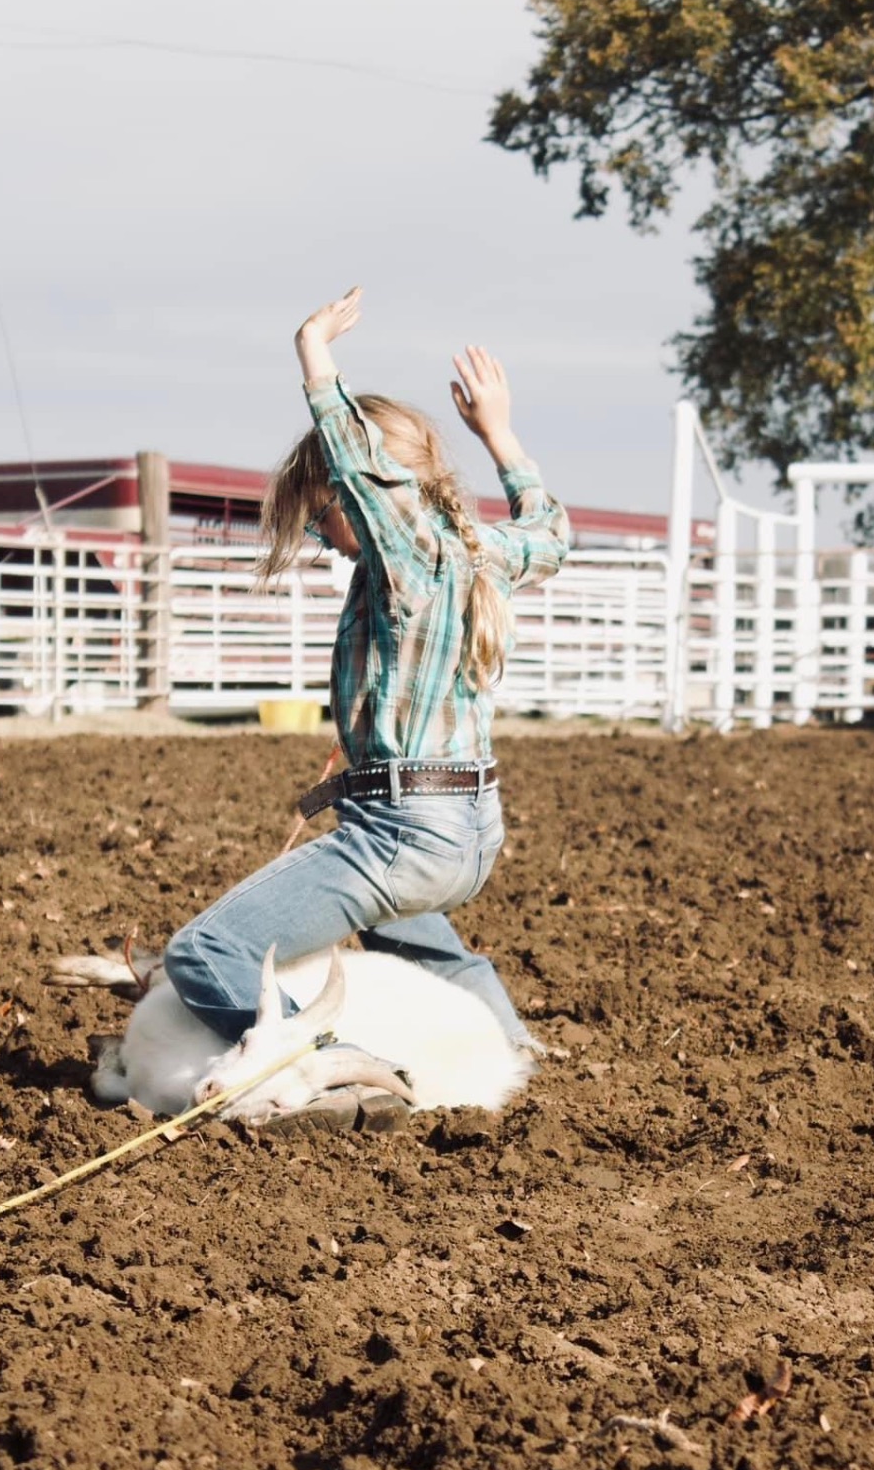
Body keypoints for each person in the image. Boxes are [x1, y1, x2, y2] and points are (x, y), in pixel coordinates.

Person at [163, 286, 570, 1122]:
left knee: (204, 949)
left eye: (320, 520)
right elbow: (550, 531)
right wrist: (499, 434)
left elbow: (361, 465)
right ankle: (511, 1058)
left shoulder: (409, 546)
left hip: (407, 829)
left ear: (363, 501)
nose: (321, 536)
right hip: (470, 832)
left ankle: (327, 1069)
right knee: (413, 941)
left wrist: (316, 356)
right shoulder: (475, 548)